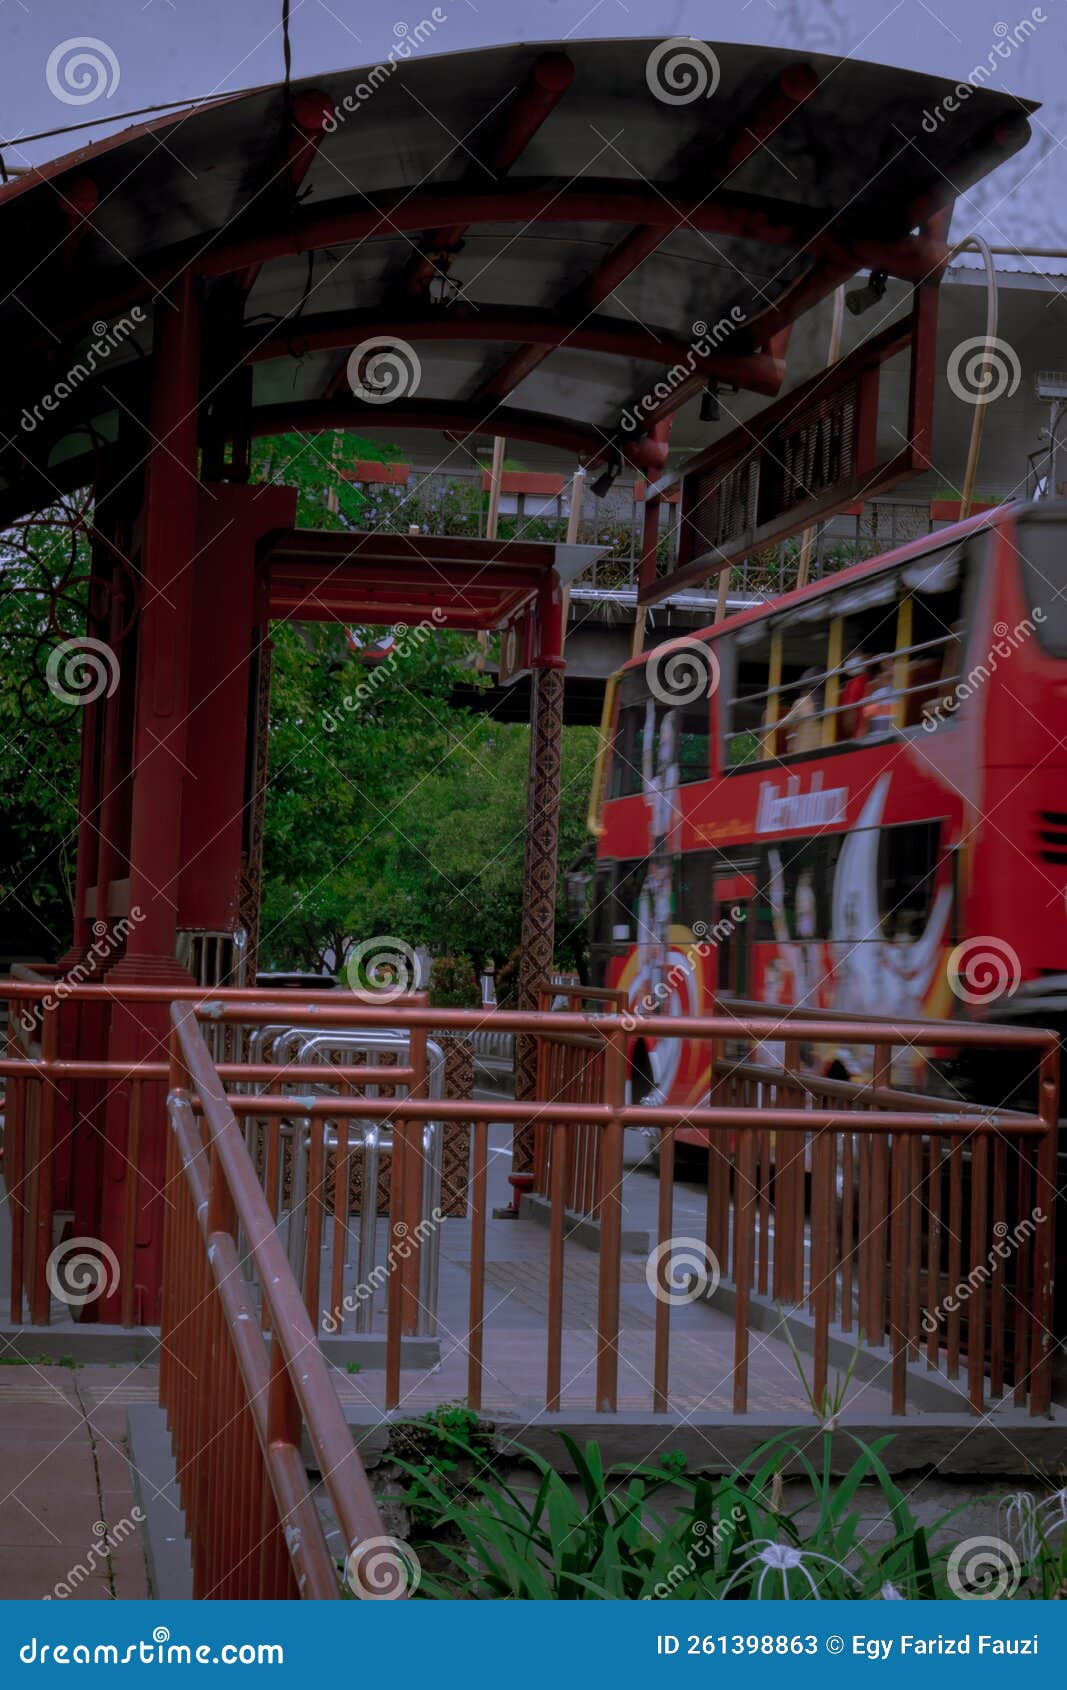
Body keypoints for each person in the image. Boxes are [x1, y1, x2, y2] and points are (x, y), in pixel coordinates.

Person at [778, 668, 823, 753]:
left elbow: (785, 723)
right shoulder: (829, 701)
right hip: (824, 749)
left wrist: (774, 724)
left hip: (804, 750)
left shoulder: (801, 702)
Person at [839, 648, 872, 739]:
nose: (851, 661)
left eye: (854, 656)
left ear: (867, 657)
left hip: (859, 734)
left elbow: (849, 718)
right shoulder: (872, 679)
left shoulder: (854, 683)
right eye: (849, 658)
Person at [860, 657, 897, 735]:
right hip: (880, 735)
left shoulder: (898, 690)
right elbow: (867, 716)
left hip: (894, 733)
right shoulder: (875, 694)